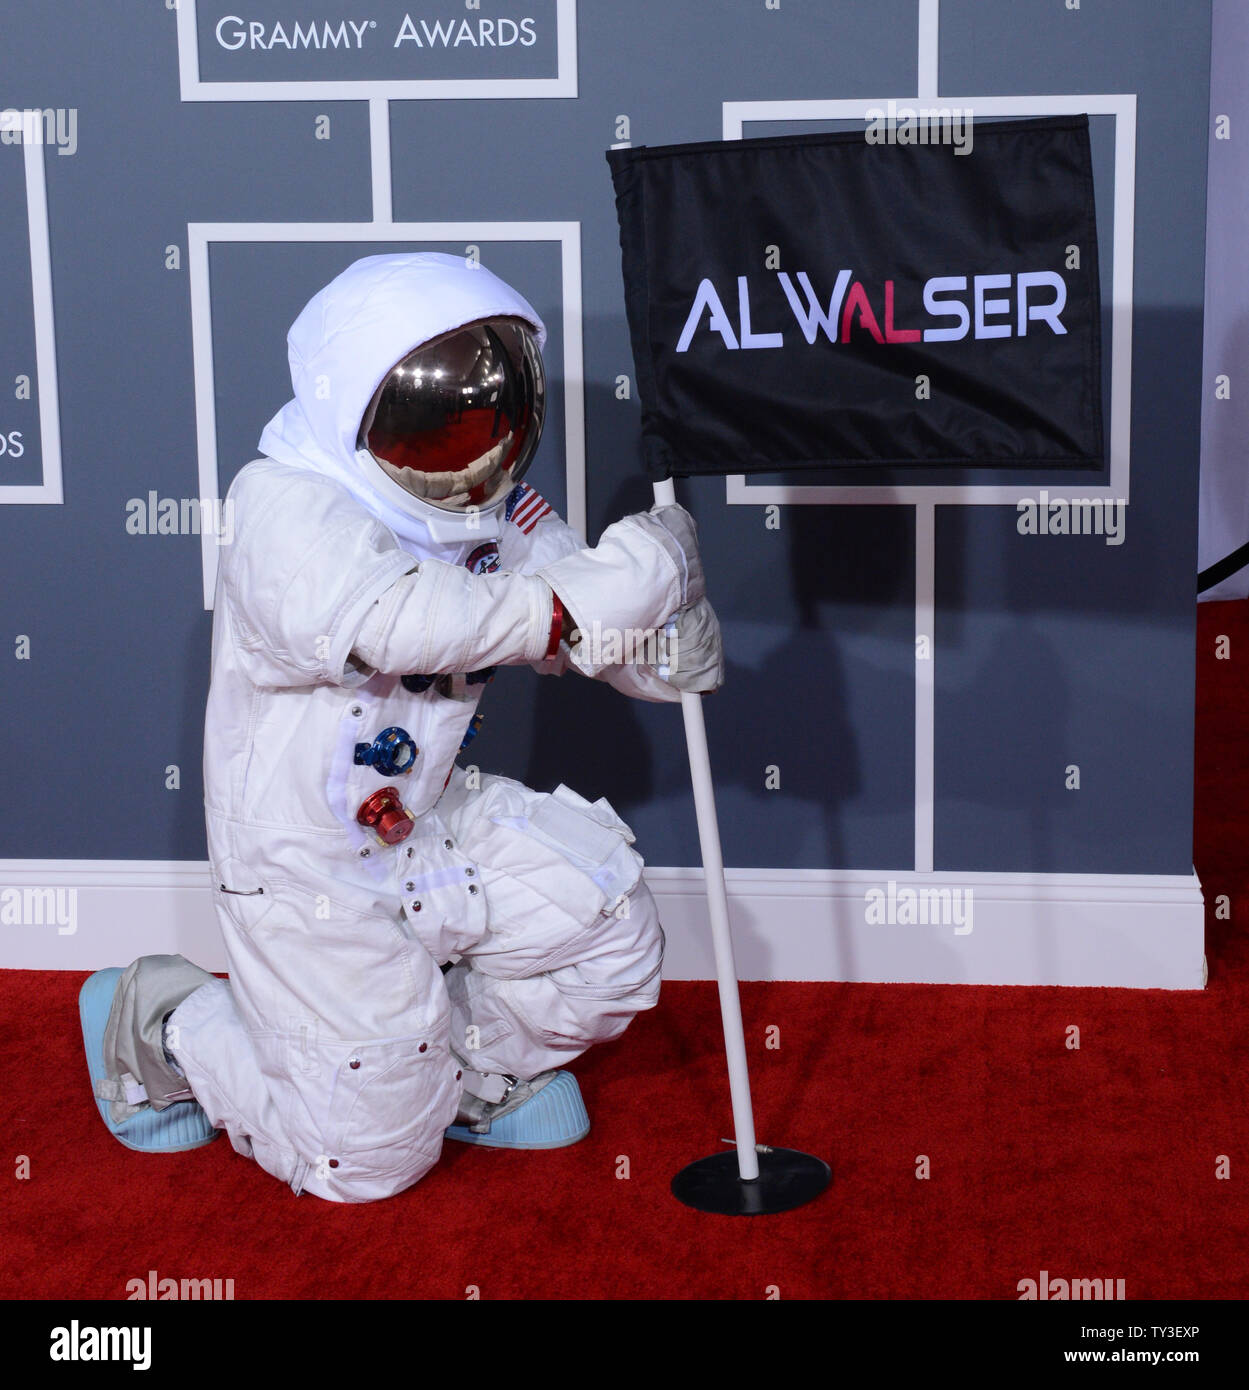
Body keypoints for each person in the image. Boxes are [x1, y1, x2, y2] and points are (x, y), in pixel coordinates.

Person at [79, 252, 724, 1203]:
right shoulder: (285, 505)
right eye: (432, 426)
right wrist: (617, 589)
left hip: (419, 825)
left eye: (493, 418)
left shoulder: (495, 513)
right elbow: (403, 622)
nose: (472, 449)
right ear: (354, 409)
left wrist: (663, 652)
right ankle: (161, 1024)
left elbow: (579, 618)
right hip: (305, 868)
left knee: (607, 935)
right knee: (366, 1169)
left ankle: (462, 1081)